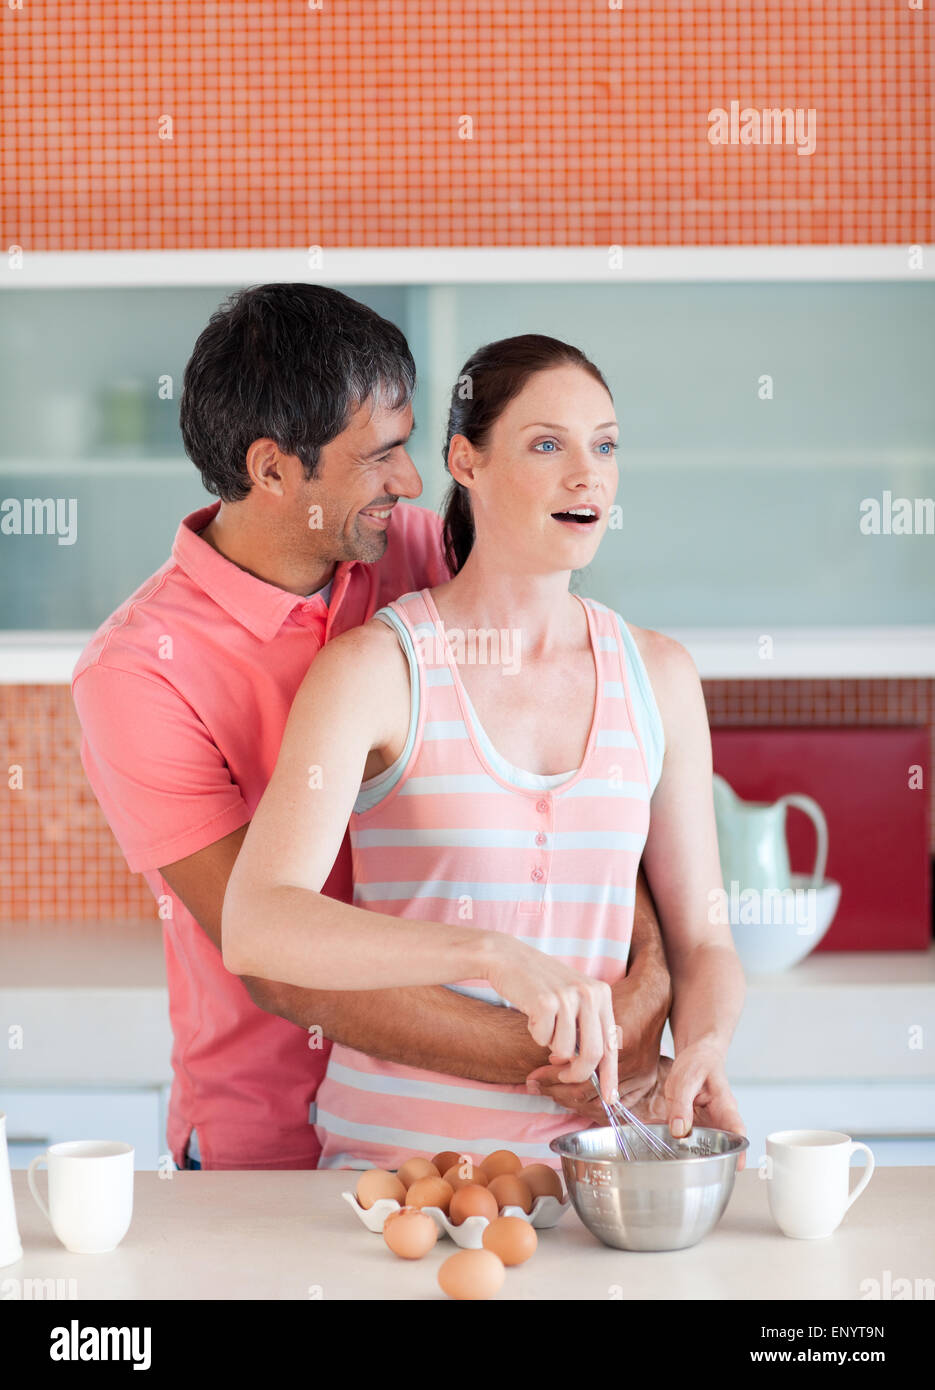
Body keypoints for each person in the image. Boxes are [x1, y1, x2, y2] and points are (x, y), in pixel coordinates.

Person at [73, 287, 671, 1171]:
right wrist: (556, 1055)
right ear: (273, 470)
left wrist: (652, 975)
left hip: (489, 1127)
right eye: (380, 455)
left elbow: (592, 776)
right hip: (269, 1134)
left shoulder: (421, 552)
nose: (411, 481)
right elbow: (274, 961)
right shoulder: (139, 672)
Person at [223, 334, 747, 1169]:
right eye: (547, 445)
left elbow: (705, 941)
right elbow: (257, 923)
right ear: (466, 462)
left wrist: (705, 1043)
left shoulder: (659, 677)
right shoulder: (377, 668)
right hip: (396, 1181)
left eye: (604, 446)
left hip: (601, 1171)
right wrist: (487, 953)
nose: (588, 476)